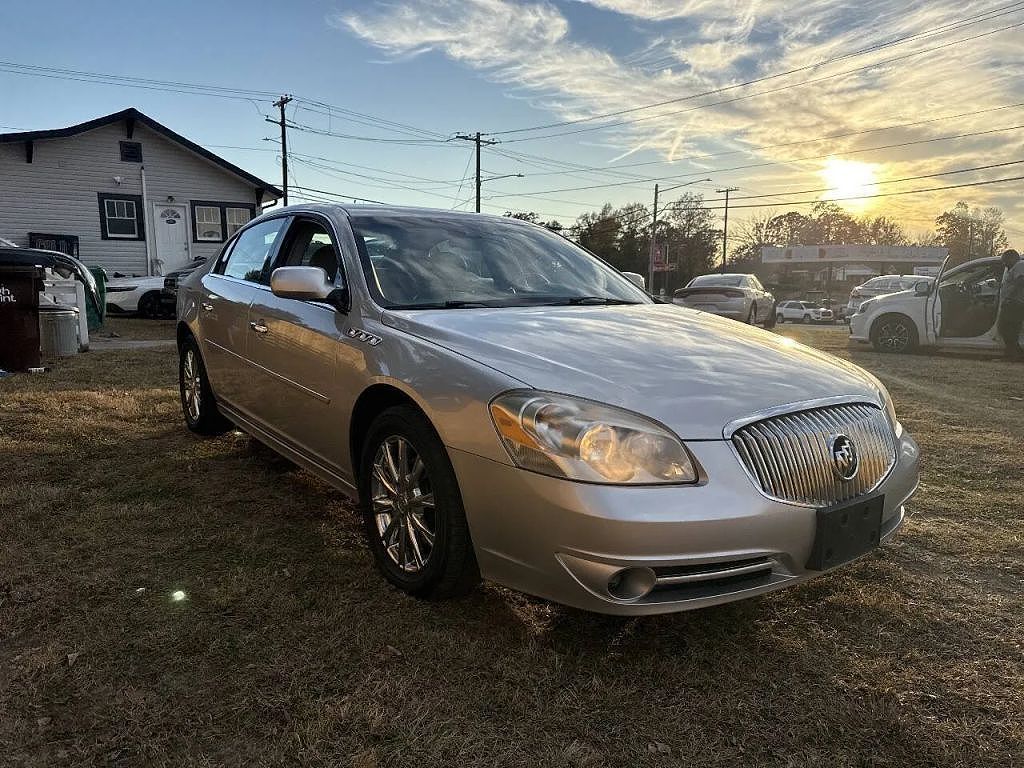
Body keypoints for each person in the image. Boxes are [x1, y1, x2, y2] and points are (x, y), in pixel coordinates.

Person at [997, 249, 1024, 361]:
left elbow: (1020, 280)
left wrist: (1009, 296)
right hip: (1012, 303)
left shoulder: (1019, 265)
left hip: (1014, 303)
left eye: (1005, 261)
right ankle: (1014, 354)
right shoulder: (1014, 267)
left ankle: (1014, 355)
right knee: (1009, 329)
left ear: (1012, 258)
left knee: (1005, 328)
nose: (1004, 264)